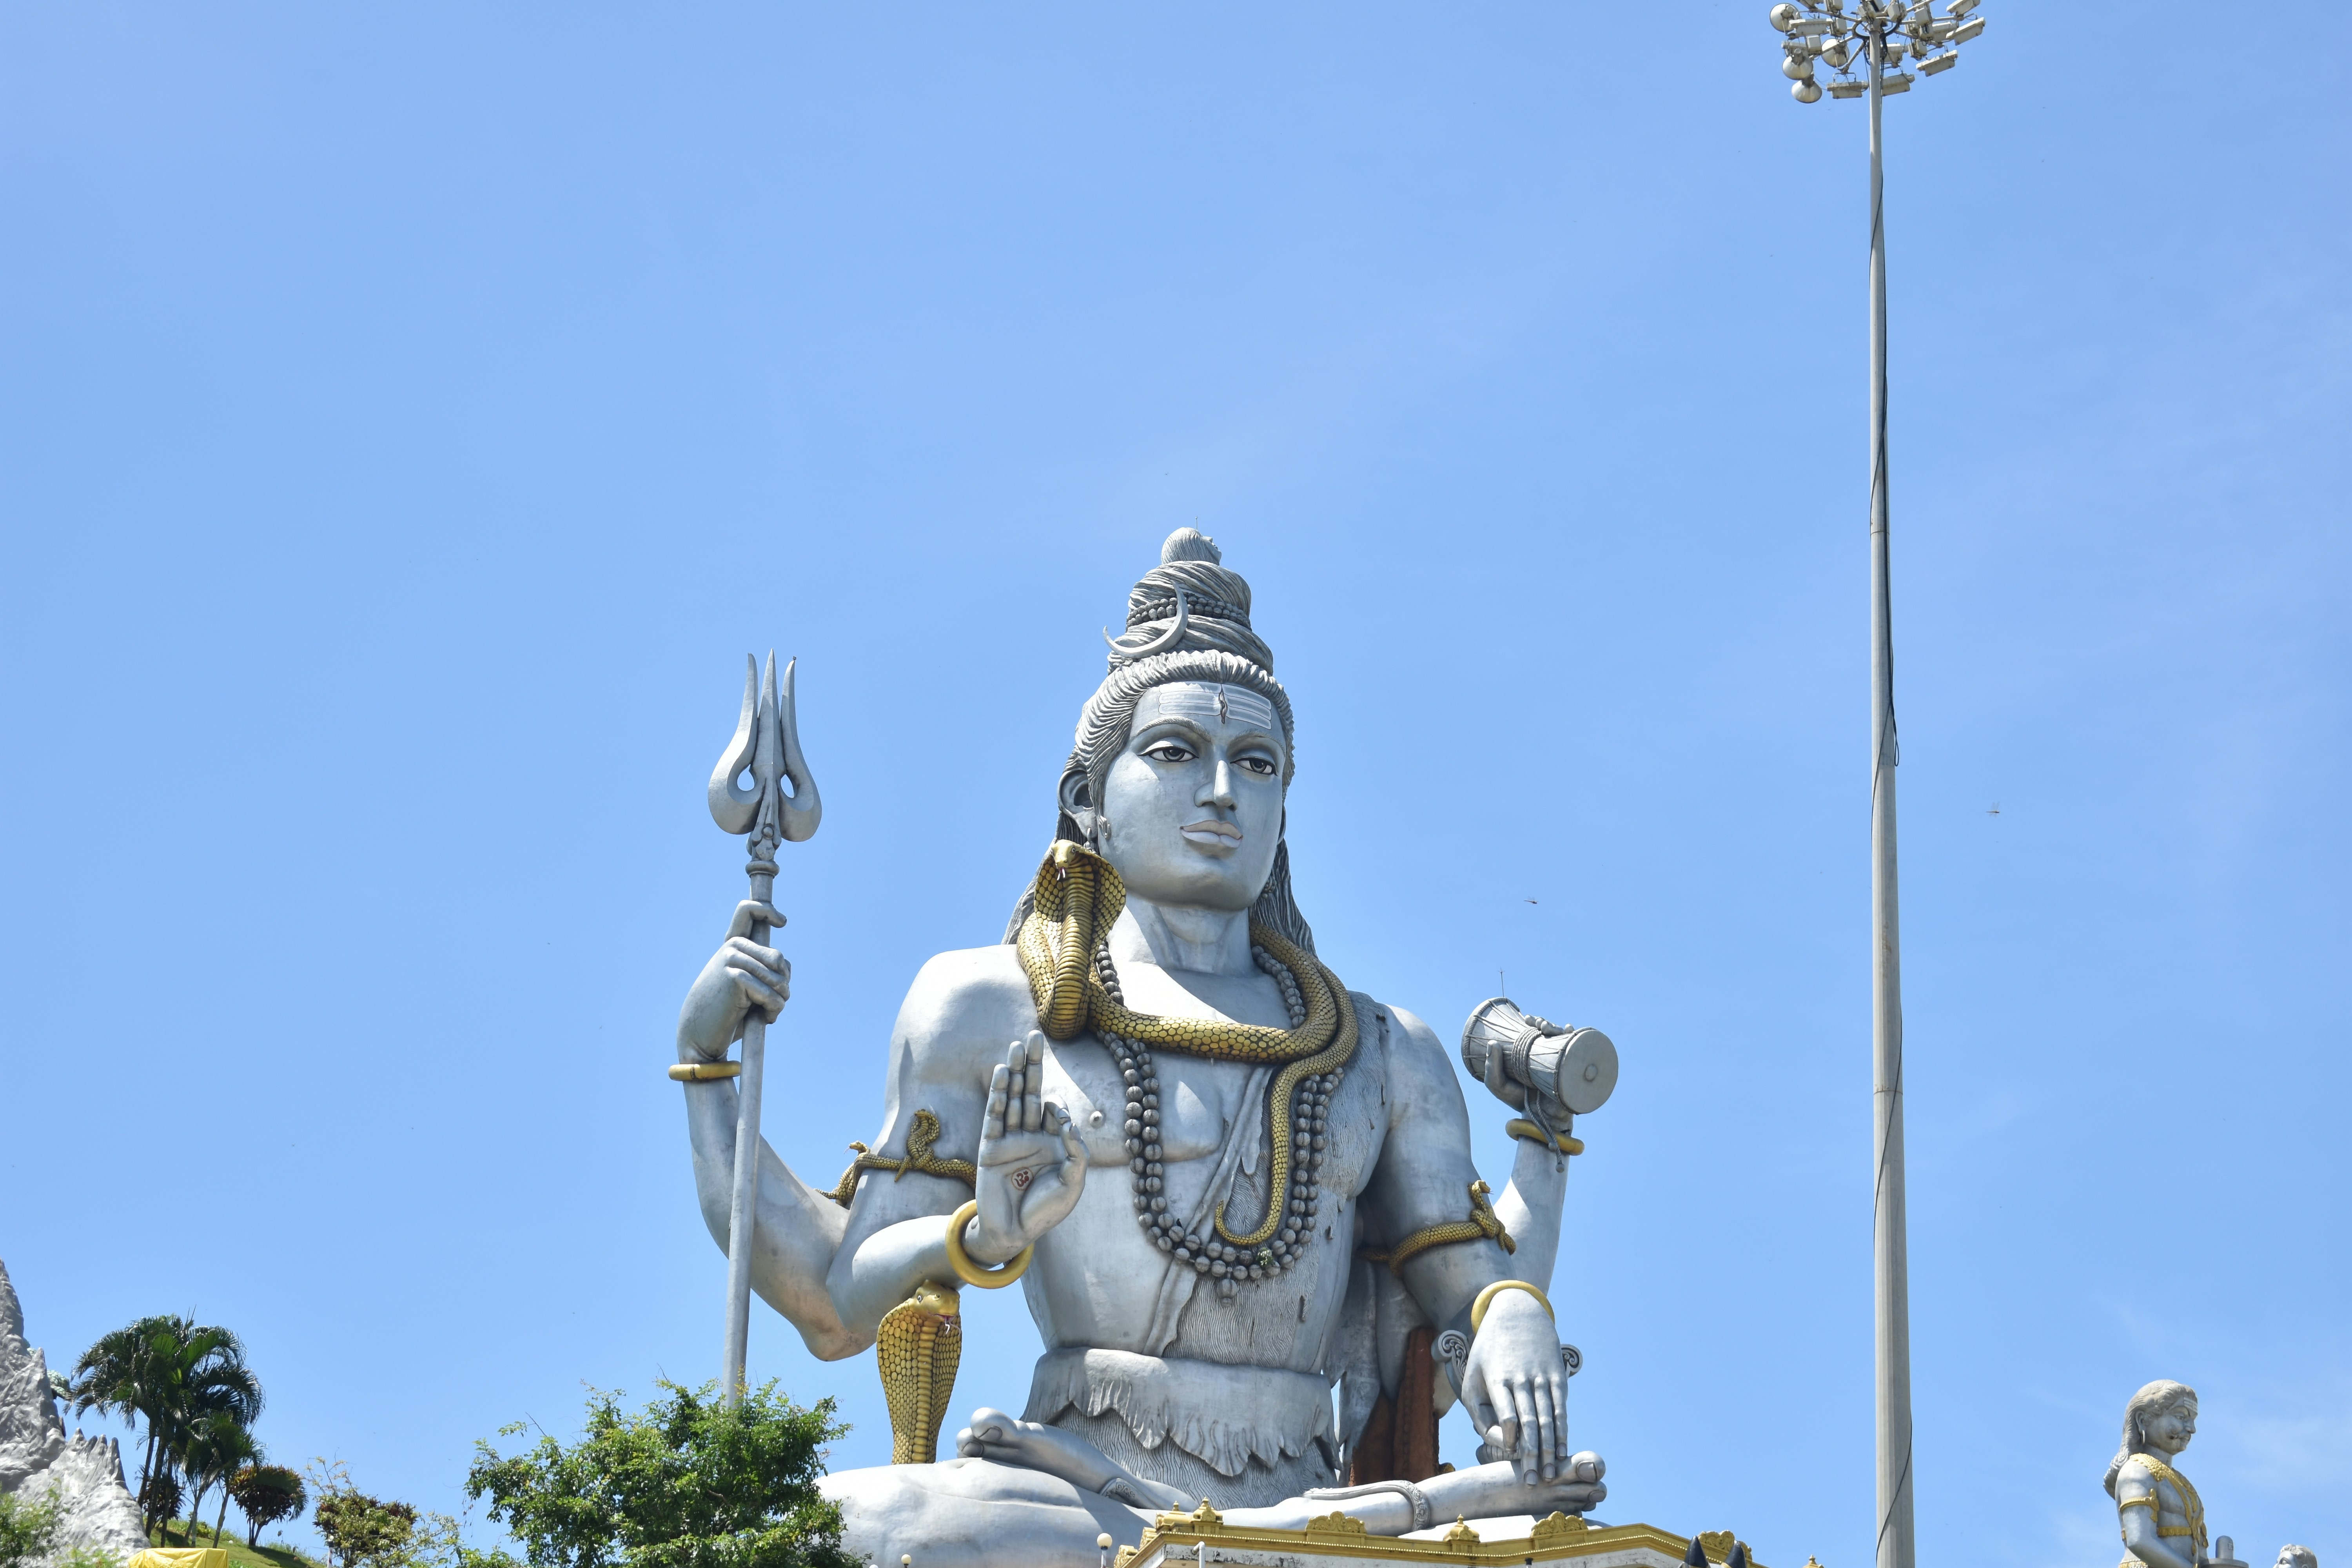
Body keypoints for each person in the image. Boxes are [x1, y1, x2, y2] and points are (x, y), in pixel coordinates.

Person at [674, 531, 1598, 1566]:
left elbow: (1462, 1280)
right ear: (1088, 797)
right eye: (1175, 754)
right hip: (1078, 1500)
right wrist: (711, 1077)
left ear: (1285, 802)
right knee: (855, 1533)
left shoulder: (1379, 1051)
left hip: (1324, 1513)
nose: (1220, 795)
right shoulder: (989, 1005)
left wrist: (1511, 1311)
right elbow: (836, 1307)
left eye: (1256, 765)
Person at [2107, 1380, 2205, 1568]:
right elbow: (2140, 1540)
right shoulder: (2136, 1470)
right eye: (2181, 1417)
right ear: (2143, 1420)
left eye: (2193, 1419)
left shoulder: (2183, 1483)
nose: (2192, 1428)